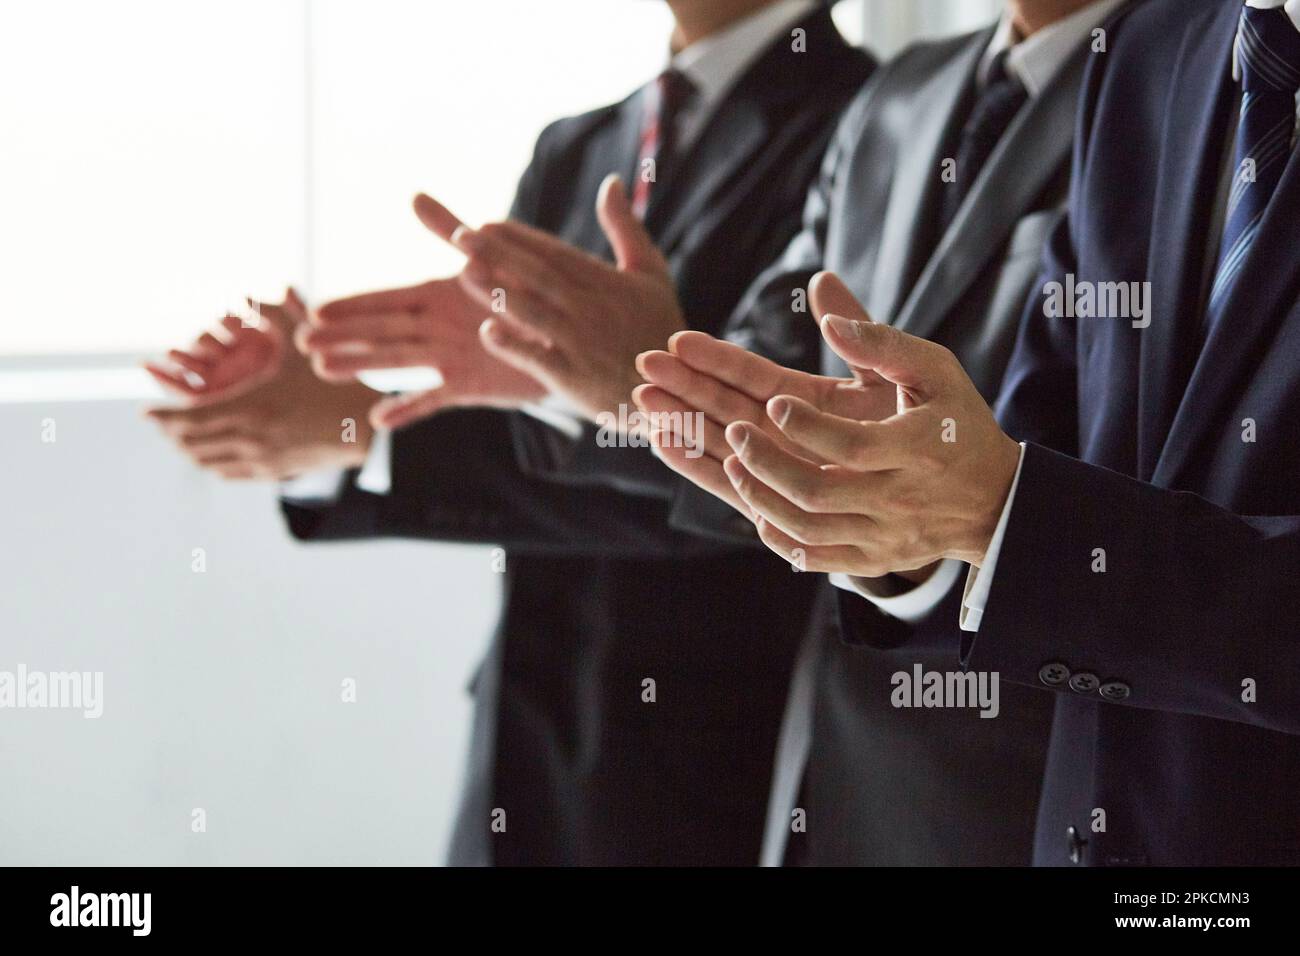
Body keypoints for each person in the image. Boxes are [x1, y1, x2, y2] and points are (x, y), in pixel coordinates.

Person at [149, 0, 872, 865]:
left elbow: (744, 487)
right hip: (519, 738)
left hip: (712, 765)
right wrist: (345, 401)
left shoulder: (871, 124)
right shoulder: (576, 145)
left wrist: (359, 433)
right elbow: (528, 424)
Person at [643, 0, 1300, 866]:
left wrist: (1002, 511)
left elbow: (1024, 506)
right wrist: (910, 520)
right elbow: (1037, 459)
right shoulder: (1155, 51)